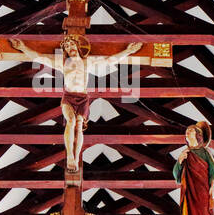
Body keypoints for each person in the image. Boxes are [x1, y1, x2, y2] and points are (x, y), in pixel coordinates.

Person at [10, 35, 142, 173]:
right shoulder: (63, 63)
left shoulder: (87, 62)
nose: (70, 48)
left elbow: (109, 60)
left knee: (79, 126)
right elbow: (40, 57)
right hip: (68, 96)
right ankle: (70, 156)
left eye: (72, 45)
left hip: (83, 98)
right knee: (71, 121)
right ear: (65, 50)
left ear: (77, 46)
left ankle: (76, 156)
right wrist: (23, 47)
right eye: (67, 47)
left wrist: (128, 51)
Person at [173, 121, 214, 215]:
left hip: (203, 189)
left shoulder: (205, 152)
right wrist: (180, 161)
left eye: (191, 131)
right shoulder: (186, 154)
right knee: (192, 214)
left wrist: (213, 185)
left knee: (204, 213)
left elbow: (213, 172)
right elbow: (177, 177)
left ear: (198, 135)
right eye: (187, 132)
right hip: (190, 190)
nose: (187, 133)